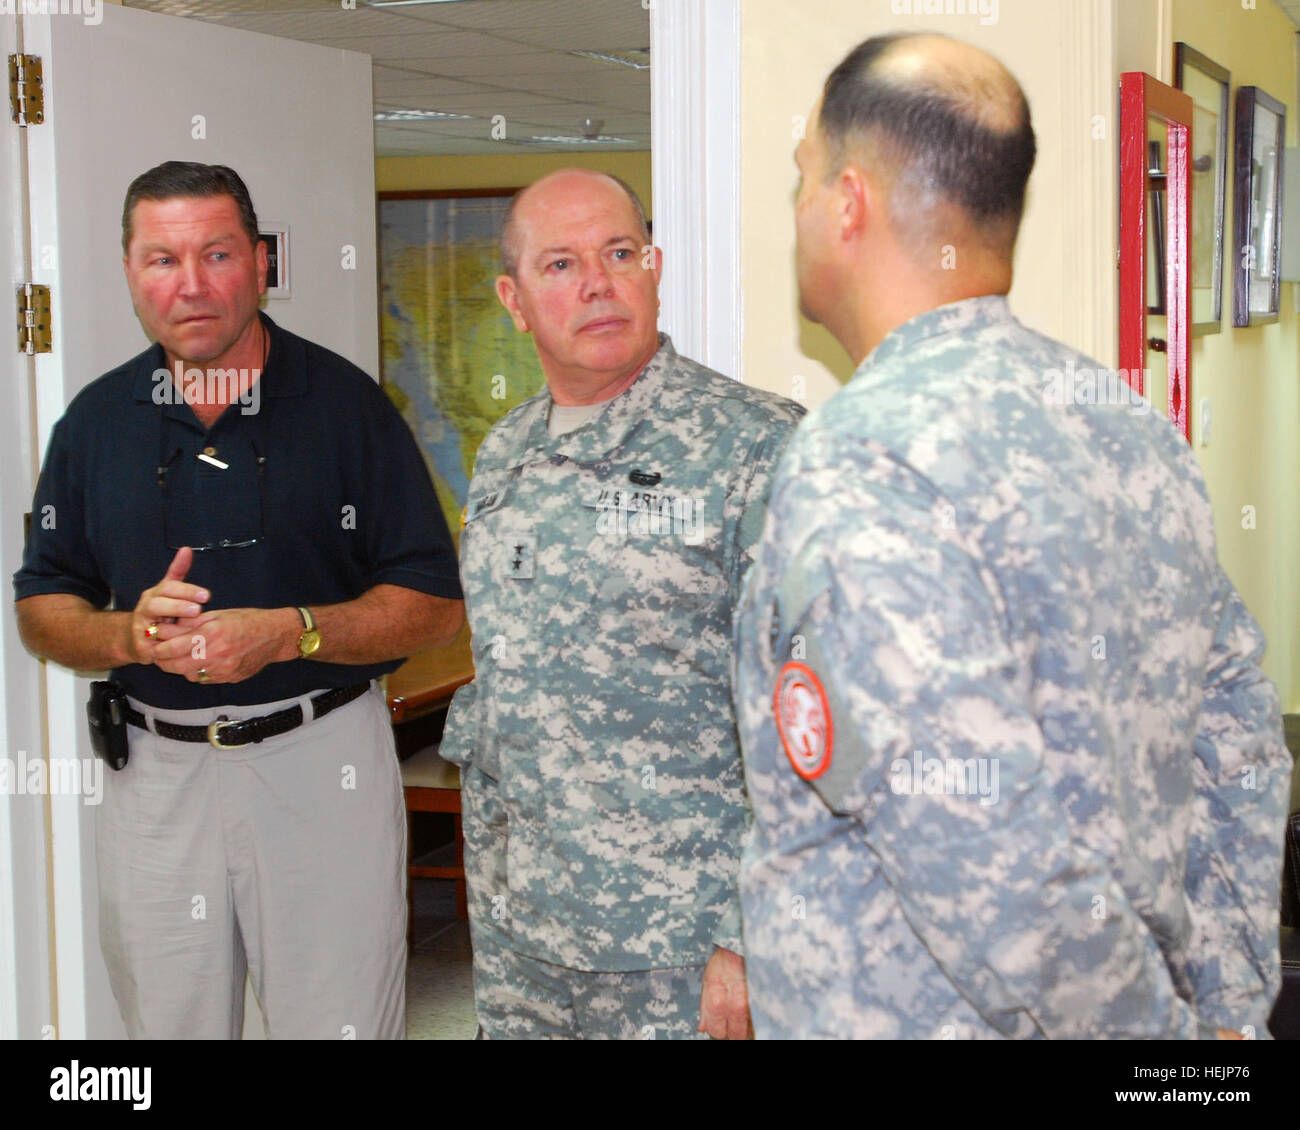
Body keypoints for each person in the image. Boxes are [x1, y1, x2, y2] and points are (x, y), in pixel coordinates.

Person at [733, 33, 1291, 1039]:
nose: (798, 210)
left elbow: (975, 839)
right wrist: (1222, 1014)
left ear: (850, 201)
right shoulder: (1124, 427)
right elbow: (1240, 747)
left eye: (804, 179)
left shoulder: (862, 458)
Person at [13, 161, 464, 1040]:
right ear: (130, 272)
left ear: (260, 264)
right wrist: (128, 636)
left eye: (216, 254)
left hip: (319, 759)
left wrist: (292, 633)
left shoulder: (348, 409)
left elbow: (433, 604)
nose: (189, 285)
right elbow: (41, 605)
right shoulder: (96, 423)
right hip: (155, 776)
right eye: (160, 259)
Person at [440, 168, 803, 1039]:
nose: (598, 283)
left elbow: (807, 715)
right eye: (560, 265)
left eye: (619, 252)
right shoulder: (507, 453)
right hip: (522, 941)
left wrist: (750, 938)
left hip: (681, 956)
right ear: (514, 299)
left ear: (655, 265)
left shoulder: (756, 446)